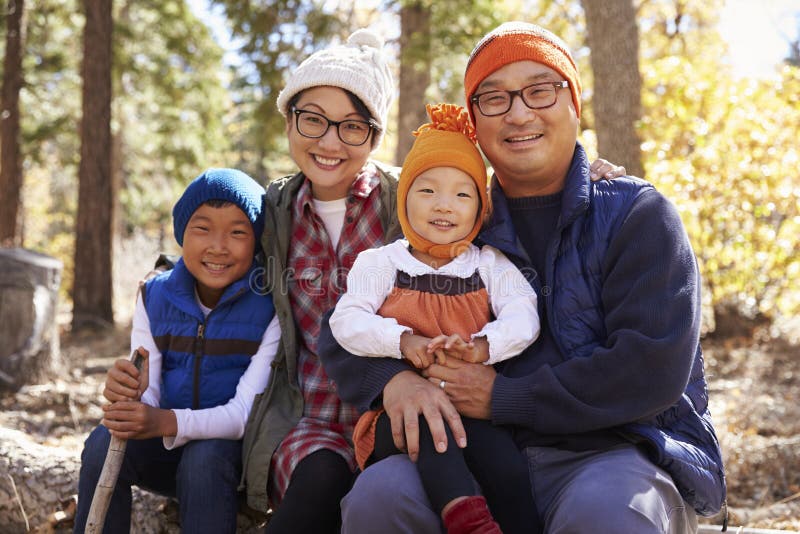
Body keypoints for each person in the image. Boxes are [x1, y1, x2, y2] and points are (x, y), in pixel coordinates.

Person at [319, 21, 726, 534]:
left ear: (574, 103)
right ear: (475, 122)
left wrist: (504, 397)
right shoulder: (458, 220)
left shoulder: (637, 215)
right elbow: (340, 329)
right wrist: (395, 381)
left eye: (540, 89)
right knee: (379, 499)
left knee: (607, 514)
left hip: (614, 451)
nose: (518, 111)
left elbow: (652, 365)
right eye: (493, 98)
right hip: (472, 453)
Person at [239, 28, 624, 534]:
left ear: (375, 137)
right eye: (311, 119)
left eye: (352, 126)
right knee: (321, 486)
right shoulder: (272, 212)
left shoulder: (420, 198)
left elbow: (498, 191)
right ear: (287, 120)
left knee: (470, 463)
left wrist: (587, 174)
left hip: (441, 400)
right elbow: (211, 245)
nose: (329, 141)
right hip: (325, 416)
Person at [329, 103, 540, 534]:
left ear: (480, 208)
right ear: (404, 197)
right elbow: (346, 320)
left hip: (472, 409)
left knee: (509, 470)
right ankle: (465, 517)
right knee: (431, 430)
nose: (444, 206)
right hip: (399, 418)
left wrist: (482, 346)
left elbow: (525, 316)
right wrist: (403, 342)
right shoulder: (381, 262)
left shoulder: (488, 264)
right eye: (427, 191)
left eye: (462, 194)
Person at [73, 168, 281, 534]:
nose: (218, 245)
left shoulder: (271, 306)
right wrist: (132, 397)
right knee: (102, 441)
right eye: (202, 229)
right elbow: (149, 391)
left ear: (258, 241)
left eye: (237, 232)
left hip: (235, 461)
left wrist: (164, 422)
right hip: (166, 451)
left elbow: (243, 415)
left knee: (204, 455)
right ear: (181, 233)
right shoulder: (154, 295)